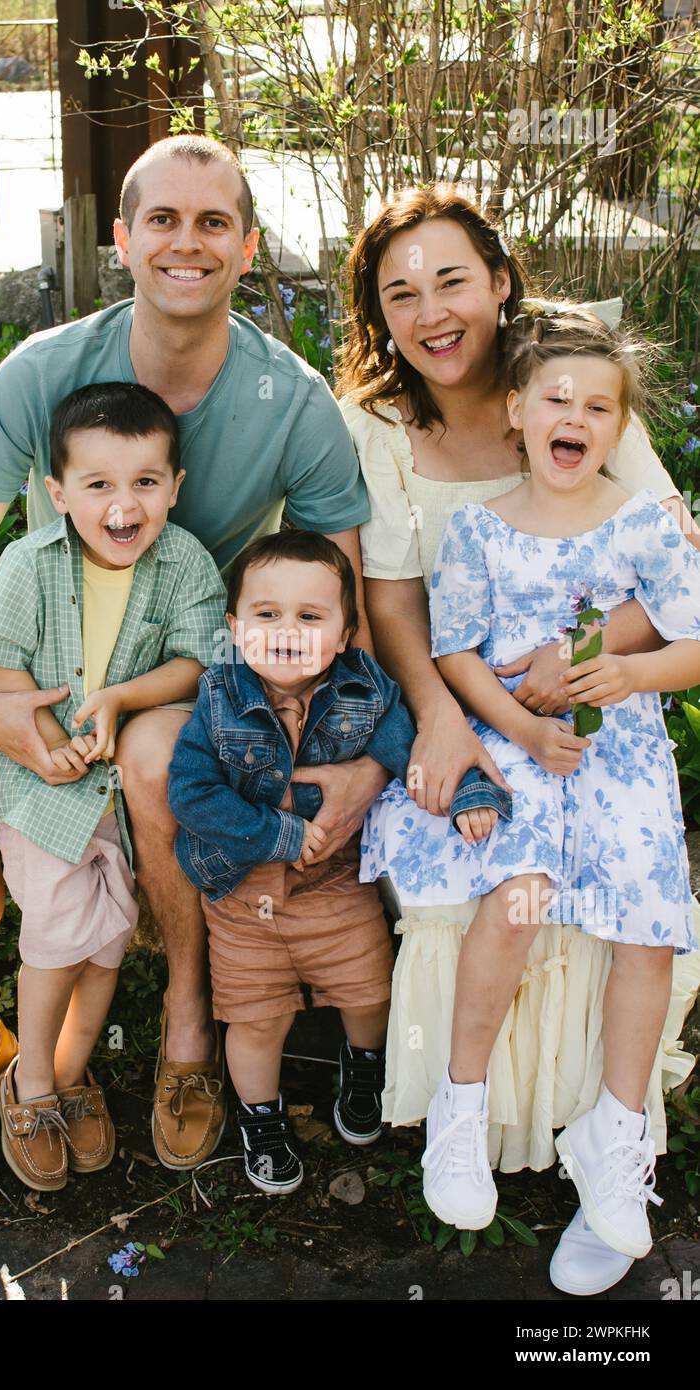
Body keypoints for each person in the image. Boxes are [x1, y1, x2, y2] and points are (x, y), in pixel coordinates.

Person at [0, 134, 385, 1196]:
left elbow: (341, 597)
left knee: (163, 764)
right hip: (38, 659)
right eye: (161, 218)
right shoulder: (45, 369)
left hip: (181, 671)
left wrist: (358, 747)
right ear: (120, 238)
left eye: (213, 222)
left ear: (246, 246)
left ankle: (185, 1029)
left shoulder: (291, 403)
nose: (186, 243)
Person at [335, 185, 700, 1185]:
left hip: (590, 697)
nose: (430, 312)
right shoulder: (372, 425)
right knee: (495, 865)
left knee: (611, 875)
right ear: (380, 318)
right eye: (398, 294)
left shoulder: (573, 387)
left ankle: (603, 1136)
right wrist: (441, 719)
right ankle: (465, 1117)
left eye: (451, 280)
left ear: (498, 283)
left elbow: (671, 563)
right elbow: (394, 602)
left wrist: (581, 652)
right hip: (465, 701)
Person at [0, 381, 227, 1195]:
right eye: (99, 485)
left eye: (146, 482)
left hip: (109, 791)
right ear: (58, 493)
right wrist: (39, 737)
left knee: (106, 937)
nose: (124, 506)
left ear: (175, 488)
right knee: (53, 940)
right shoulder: (31, 561)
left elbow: (195, 657)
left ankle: (72, 1068)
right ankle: (27, 1083)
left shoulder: (183, 561)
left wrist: (123, 699)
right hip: (43, 791)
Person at [166, 530, 510, 1194]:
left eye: (310, 616)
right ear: (235, 628)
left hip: (334, 887)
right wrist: (279, 835)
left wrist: (469, 789)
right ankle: (260, 1117)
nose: (286, 631)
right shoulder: (217, 698)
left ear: (347, 631)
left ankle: (363, 1063)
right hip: (240, 895)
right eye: (266, 615)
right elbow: (191, 793)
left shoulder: (367, 691)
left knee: (370, 990)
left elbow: (414, 750)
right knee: (254, 1015)